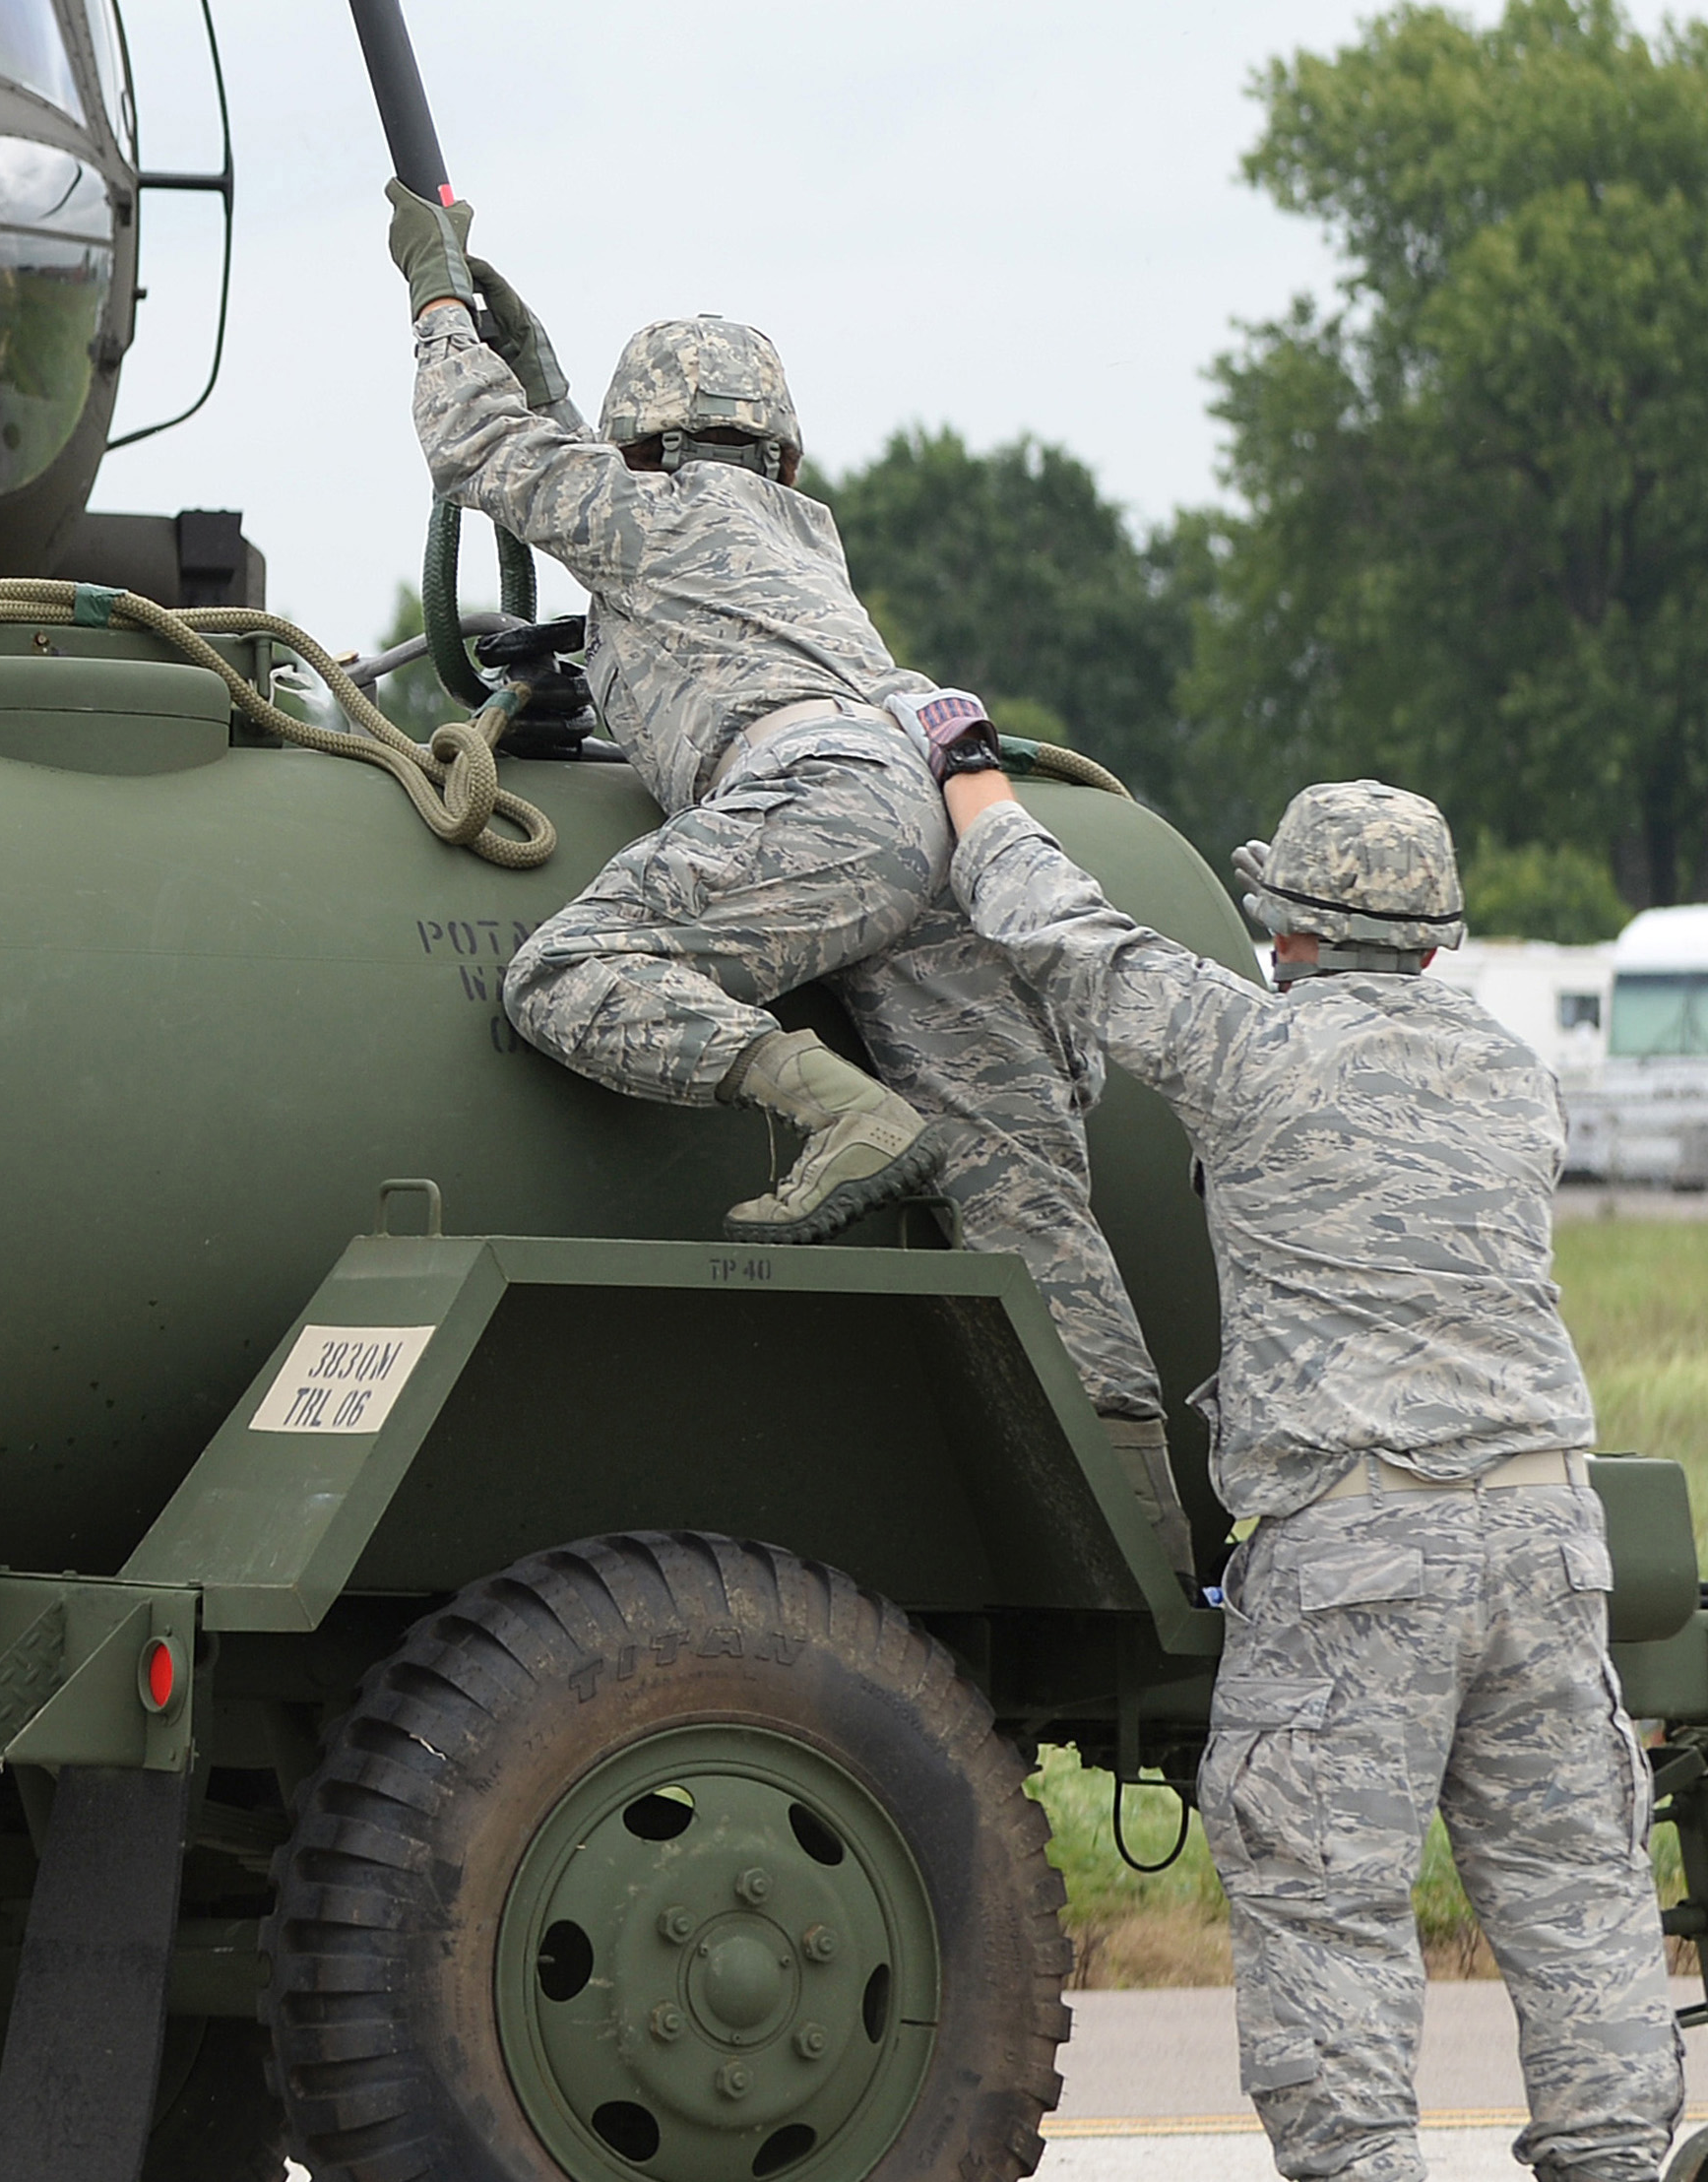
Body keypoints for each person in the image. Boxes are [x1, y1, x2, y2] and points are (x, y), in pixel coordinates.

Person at [932, 757, 1676, 2182]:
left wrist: (969, 782)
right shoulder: (1511, 1077)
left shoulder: (1253, 1049)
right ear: (1435, 935)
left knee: (1327, 1900)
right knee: (1577, 1897)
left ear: (1284, 926)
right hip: (1550, 1531)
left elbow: (1064, 934)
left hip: (1359, 1542)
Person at [389, 185, 1173, 1528]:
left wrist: (437, 294)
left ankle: (836, 1110)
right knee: (1021, 1188)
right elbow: (580, 475)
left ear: (643, 453)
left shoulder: (654, 513)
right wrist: (523, 337)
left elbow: (476, 445)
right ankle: (1146, 1536)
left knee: (564, 972)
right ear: (787, 459)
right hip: (939, 821)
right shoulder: (791, 535)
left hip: (827, 797)